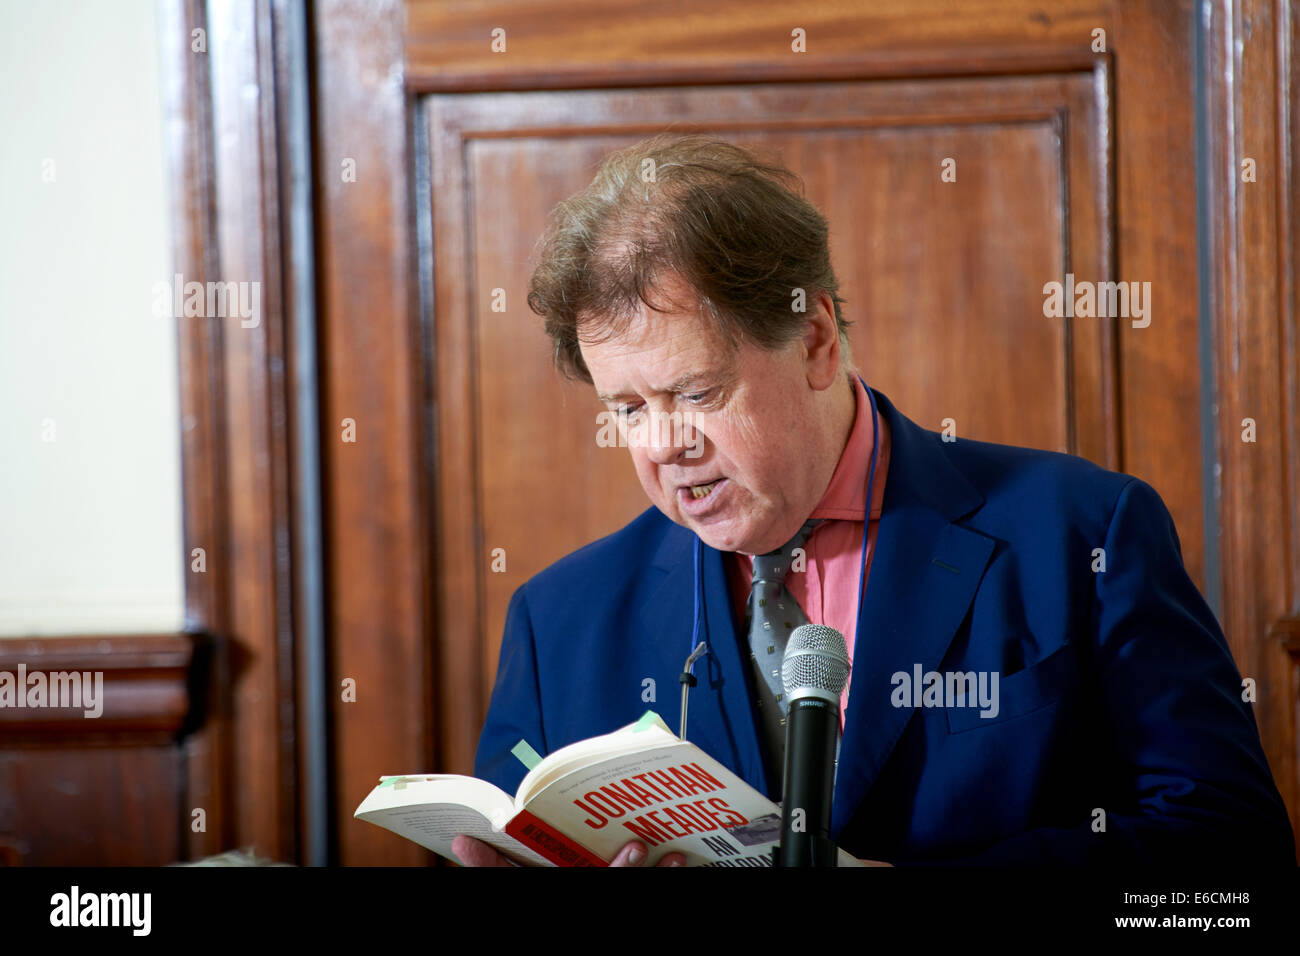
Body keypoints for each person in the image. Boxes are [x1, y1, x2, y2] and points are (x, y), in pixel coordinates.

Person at [452, 134, 1294, 867]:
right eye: (629, 410)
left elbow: (1230, 859)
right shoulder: (557, 621)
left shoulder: (1085, 533)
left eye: (697, 393)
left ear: (815, 339)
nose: (663, 446)